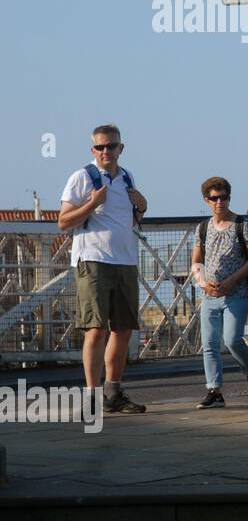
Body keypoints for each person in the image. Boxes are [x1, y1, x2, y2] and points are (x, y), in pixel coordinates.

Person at [57, 124, 148, 414]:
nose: (106, 151)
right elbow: (63, 221)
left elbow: (128, 223)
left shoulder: (127, 178)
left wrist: (141, 209)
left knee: (123, 330)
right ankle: (92, 396)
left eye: (111, 146)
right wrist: (91, 203)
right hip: (93, 260)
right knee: (95, 329)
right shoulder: (83, 177)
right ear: (92, 150)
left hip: (125, 260)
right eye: (100, 147)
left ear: (121, 148)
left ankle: (114, 392)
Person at [190, 177, 248, 408]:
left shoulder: (242, 224)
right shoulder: (203, 228)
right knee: (209, 344)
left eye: (223, 197)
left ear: (229, 198)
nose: (219, 202)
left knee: (232, 339)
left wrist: (233, 280)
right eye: (214, 198)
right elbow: (196, 260)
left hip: (237, 291)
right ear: (207, 200)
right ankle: (214, 390)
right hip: (210, 294)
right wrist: (202, 283)